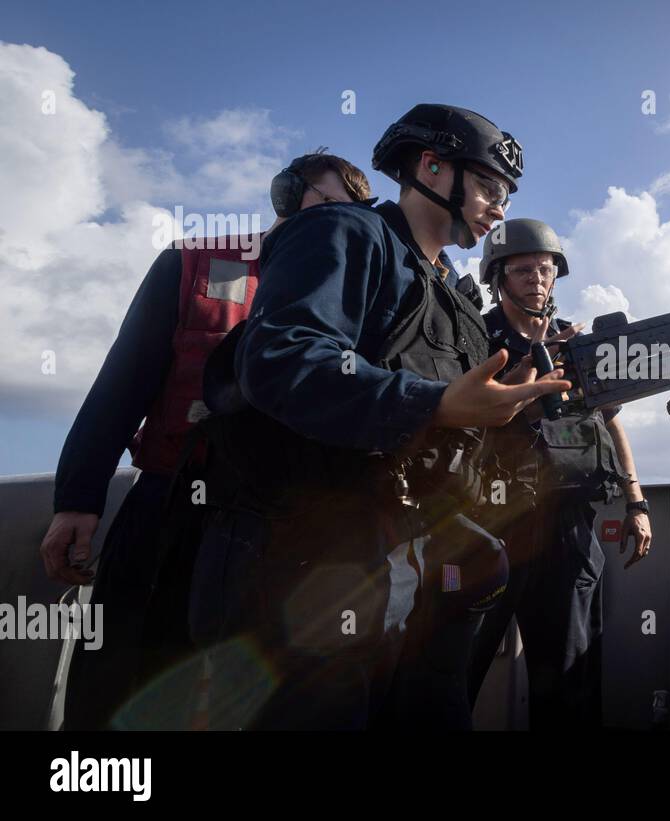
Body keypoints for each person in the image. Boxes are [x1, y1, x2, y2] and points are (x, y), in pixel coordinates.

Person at [189, 104, 569, 730]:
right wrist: (437, 403)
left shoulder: (454, 294)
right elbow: (282, 359)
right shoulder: (345, 233)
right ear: (431, 166)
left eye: (506, 194)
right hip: (304, 560)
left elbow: (456, 409)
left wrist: (501, 403)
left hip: (404, 554)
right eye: (490, 187)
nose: (499, 207)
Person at [39, 151, 373, 730]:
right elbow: (123, 381)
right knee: (120, 676)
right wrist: (78, 497)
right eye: (330, 207)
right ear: (287, 196)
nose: (340, 227)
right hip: (170, 505)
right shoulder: (197, 263)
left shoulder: (360, 295)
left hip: (272, 523)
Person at [468, 218, 652, 729]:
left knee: (569, 679)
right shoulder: (472, 337)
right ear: (498, 278)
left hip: (568, 525)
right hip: (488, 522)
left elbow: (612, 424)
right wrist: (529, 375)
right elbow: (469, 421)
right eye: (523, 270)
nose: (536, 279)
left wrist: (636, 504)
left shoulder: (577, 342)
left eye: (545, 270)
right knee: (455, 672)